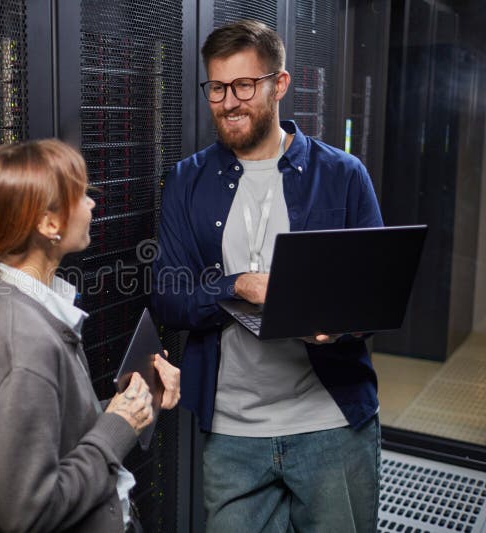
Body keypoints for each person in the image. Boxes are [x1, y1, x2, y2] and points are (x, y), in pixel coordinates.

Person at [151, 20, 383, 532]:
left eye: (244, 86)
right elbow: (168, 298)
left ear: (279, 84)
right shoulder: (186, 181)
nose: (229, 102)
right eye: (217, 87)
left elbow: (377, 296)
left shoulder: (342, 175)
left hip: (332, 424)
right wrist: (236, 285)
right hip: (233, 433)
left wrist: (338, 325)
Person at [0, 139, 181, 533]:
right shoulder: (23, 343)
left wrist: (135, 401)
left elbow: (52, 428)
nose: (92, 204)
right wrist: (119, 427)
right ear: (49, 224)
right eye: (82, 194)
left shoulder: (26, 311)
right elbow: (31, 515)